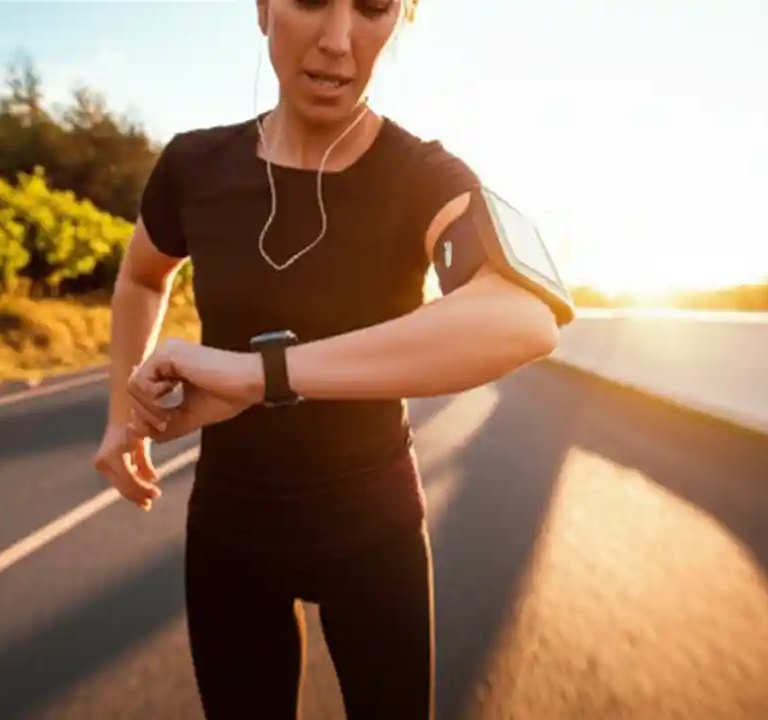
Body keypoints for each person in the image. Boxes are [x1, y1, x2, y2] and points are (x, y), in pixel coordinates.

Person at [92, 0, 562, 717]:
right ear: (261, 9)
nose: (338, 41)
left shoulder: (423, 176)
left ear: (402, 18)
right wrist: (124, 409)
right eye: (311, 0)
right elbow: (141, 276)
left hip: (373, 524)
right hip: (230, 525)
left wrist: (259, 376)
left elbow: (523, 317)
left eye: (373, 8)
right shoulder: (193, 165)